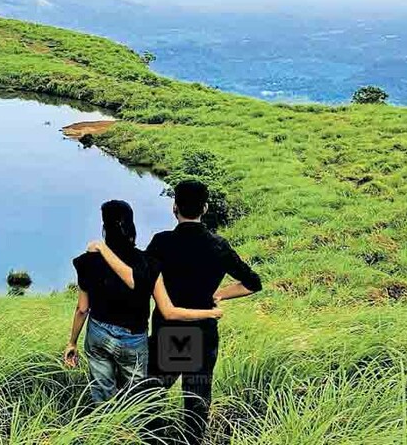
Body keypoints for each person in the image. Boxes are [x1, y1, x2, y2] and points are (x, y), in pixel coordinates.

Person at [88, 180, 263, 441]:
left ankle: (153, 438)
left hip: (169, 331)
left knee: (152, 392)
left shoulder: (162, 242)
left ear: (174, 207)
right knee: (196, 401)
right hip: (203, 332)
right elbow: (253, 283)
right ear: (204, 208)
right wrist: (218, 295)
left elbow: (140, 279)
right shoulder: (218, 245)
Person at [64, 200, 223, 404]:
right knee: (136, 396)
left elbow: (82, 309)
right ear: (132, 227)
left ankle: (105, 430)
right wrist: (210, 313)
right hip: (133, 339)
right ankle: (132, 430)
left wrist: (72, 342)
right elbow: (169, 311)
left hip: (98, 333)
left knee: (102, 390)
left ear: (105, 228)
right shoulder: (149, 264)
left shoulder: (87, 261)